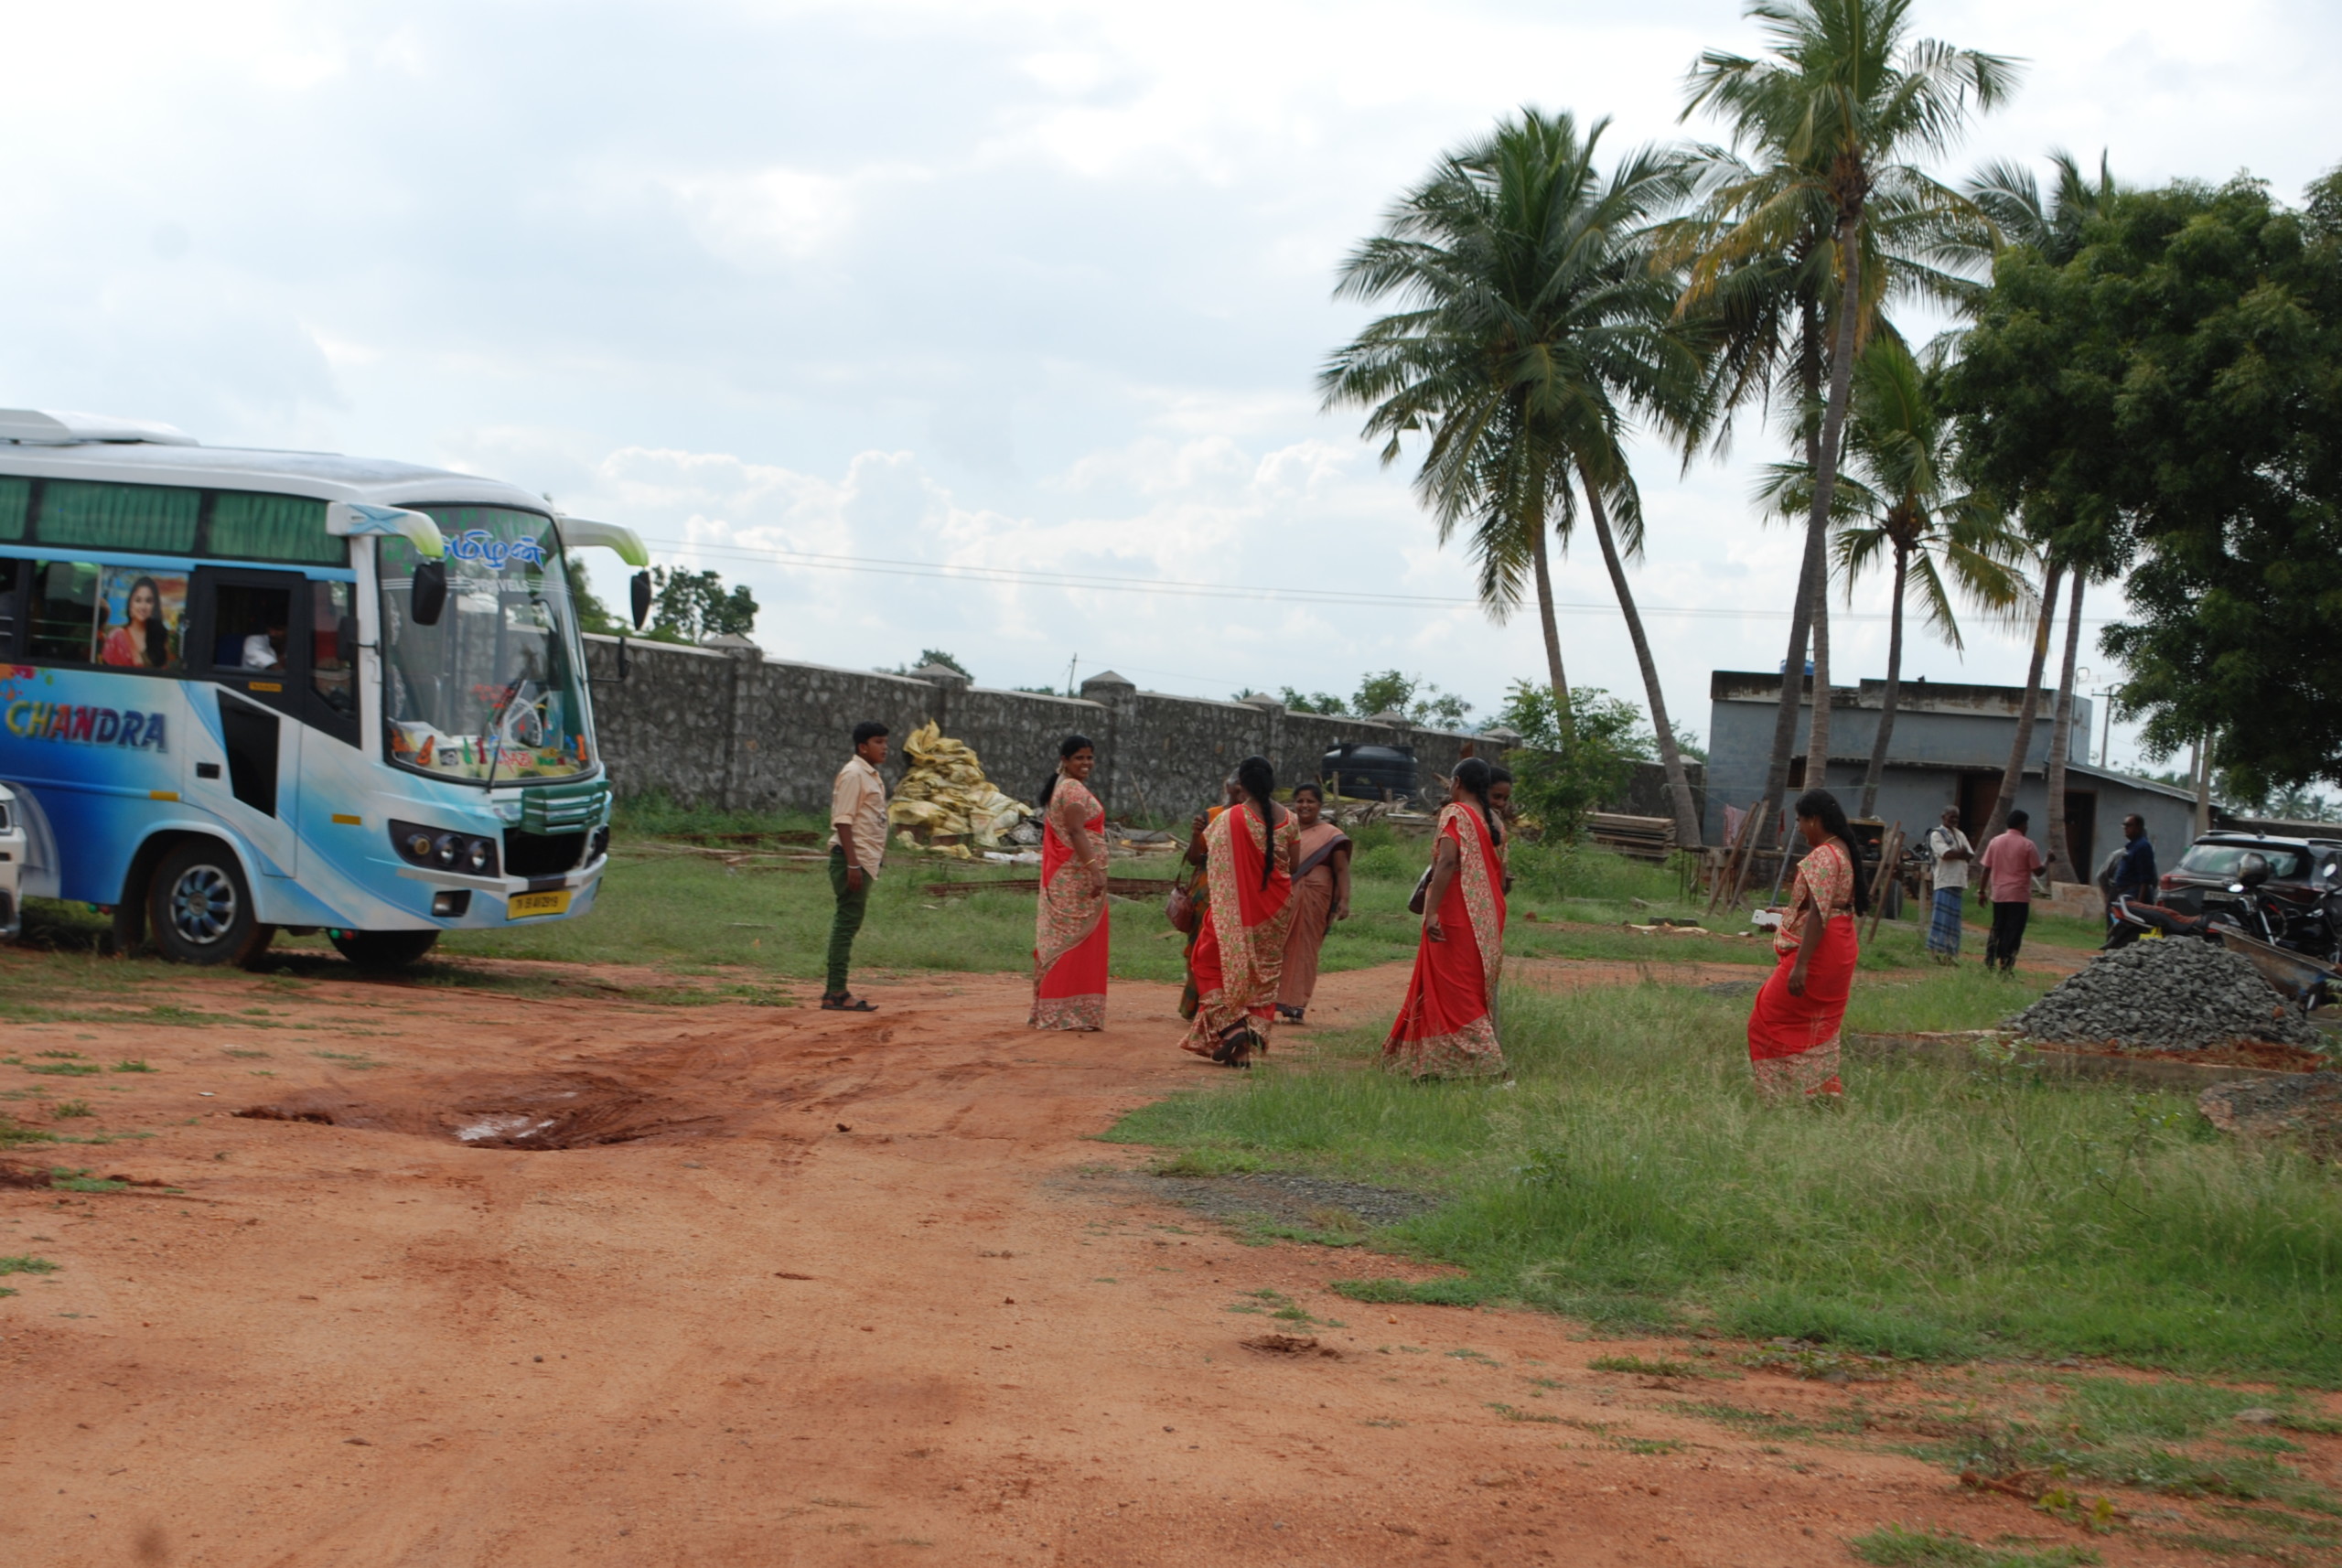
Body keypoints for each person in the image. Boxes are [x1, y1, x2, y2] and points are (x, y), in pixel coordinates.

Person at [1383, 758, 1508, 1079]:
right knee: (1465, 987)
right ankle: (1435, 1066)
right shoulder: (1492, 820)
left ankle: (1490, 1064)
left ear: (1455, 782)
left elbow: (1448, 862)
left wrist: (1433, 910)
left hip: (1457, 911)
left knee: (1455, 991)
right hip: (1488, 915)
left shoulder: (1456, 813)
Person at [1746, 789, 1868, 1100]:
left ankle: (1779, 1095)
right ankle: (1822, 1094)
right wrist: (1785, 913)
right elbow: (1831, 906)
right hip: (1840, 946)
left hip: (1818, 953)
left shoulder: (1823, 856)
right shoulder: (1842, 851)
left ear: (1815, 820)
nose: (1799, 828)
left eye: (1800, 821)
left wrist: (1800, 965)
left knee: (1766, 1019)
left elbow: (1818, 913)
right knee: (1818, 1026)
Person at [1179, 755, 1296, 1067]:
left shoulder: (1230, 819)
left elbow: (1202, 854)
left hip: (1235, 911)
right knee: (1260, 976)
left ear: (1241, 784)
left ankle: (1231, 1027)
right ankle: (1242, 1051)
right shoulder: (1291, 819)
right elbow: (1293, 865)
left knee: (1206, 962)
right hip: (1276, 910)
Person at [1031, 734, 1110, 1030]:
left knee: (1068, 941)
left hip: (1068, 877)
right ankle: (1067, 1012)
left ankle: (1061, 1010)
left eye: (1090, 757)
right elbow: (1077, 832)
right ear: (1064, 760)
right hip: (1075, 879)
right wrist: (1094, 870)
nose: (1086, 763)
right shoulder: (1073, 790)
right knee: (1073, 943)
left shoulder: (1063, 786)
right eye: (1079, 758)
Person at [823, 721, 890, 1012]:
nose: (884, 747)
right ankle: (836, 993)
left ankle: (836, 991)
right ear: (862, 746)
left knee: (849, 923)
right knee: (846, 924)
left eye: (885, 741)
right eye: (878, 741)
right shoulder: (854, 774)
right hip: (853, 860)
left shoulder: (870, 774)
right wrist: (853, 863)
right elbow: (843, 820)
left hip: (863, 860)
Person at [1274, 783, 1352, 1024]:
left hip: (1316, 898)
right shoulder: (1286, 831)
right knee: (1277, 946)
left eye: (1310, 801)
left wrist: (1344, 901)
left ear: (1320, 805)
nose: (1304, 806)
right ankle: (1271, 1000)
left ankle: (1296, 1004)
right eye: (1300, 801)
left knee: (1305, 949)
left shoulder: (1331, 836)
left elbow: (1341, 870)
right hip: (1283, 898)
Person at [1977, 810, 2046, 972]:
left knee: (1997, 927)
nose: (2027, 827)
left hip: (1999, 894)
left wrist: (1981, 891)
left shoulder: (1995, 841)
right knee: (2014, 931)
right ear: (2022, 825)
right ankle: (2006, 964)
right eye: (2026, 824)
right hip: (2018, 895)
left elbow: (1986, 869)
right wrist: (2048, 861)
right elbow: (2038, 871)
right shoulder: (2027, 844)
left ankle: (1989, 960)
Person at [1923, 805, 1973, 964]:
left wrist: (1958, 854)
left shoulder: (1959, 834)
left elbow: (1970, 854)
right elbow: (1946, 854)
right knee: (1941, 918)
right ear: (1943, 817)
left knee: (1953, 922)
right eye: (1951, 817)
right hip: (1944, 880)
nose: (1954, 820)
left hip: (1958, 881)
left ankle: (1949, 956)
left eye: (1956, 817)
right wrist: (1960, 854)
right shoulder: (1937, 834)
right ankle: (1934, 953)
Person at [100, 576, 172, 669]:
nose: (143, 607)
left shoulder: (159, 638)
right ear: (131, 605)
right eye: (138, 600)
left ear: (154, 606)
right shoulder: (116, 637)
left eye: (148, 601)